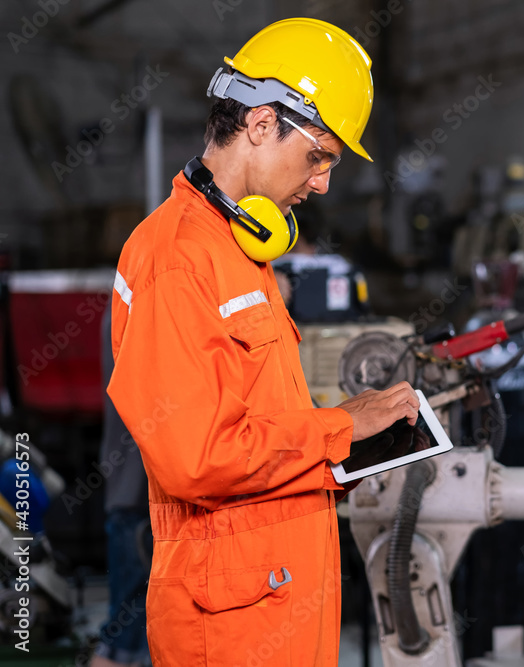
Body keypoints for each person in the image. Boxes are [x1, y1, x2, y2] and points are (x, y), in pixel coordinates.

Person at [105, 18, 418, 667]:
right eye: (319, 155)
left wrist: (337, 467)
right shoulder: (176, 260)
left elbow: (257, 431)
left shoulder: (241, 248)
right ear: (260, 124)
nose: (323, 182)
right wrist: (339, 429)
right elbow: (196, 457)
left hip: (272, 609)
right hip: (229, 632)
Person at [91, 307, 152, 667]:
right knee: (122, 639)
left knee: (131, 636)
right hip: (138, 499)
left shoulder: (125, 305)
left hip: (135, 493)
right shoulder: (135, 310)